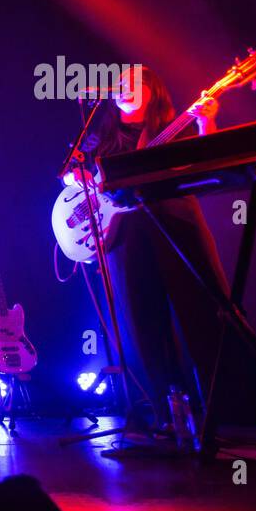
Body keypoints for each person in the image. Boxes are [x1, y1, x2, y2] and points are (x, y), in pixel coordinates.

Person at [72, 66, 230, 427]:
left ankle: (227, 413)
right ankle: (166, 416)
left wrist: (207, 123)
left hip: (174, 223)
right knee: (143, 324)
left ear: (152, 90)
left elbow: (208, 157)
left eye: (133, 83)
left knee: (203, 311)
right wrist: (79, 180)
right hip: (126, 235)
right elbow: (78, 174)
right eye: (119, 83)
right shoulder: (102, 136)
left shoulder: (171, 127)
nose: (123, 88)